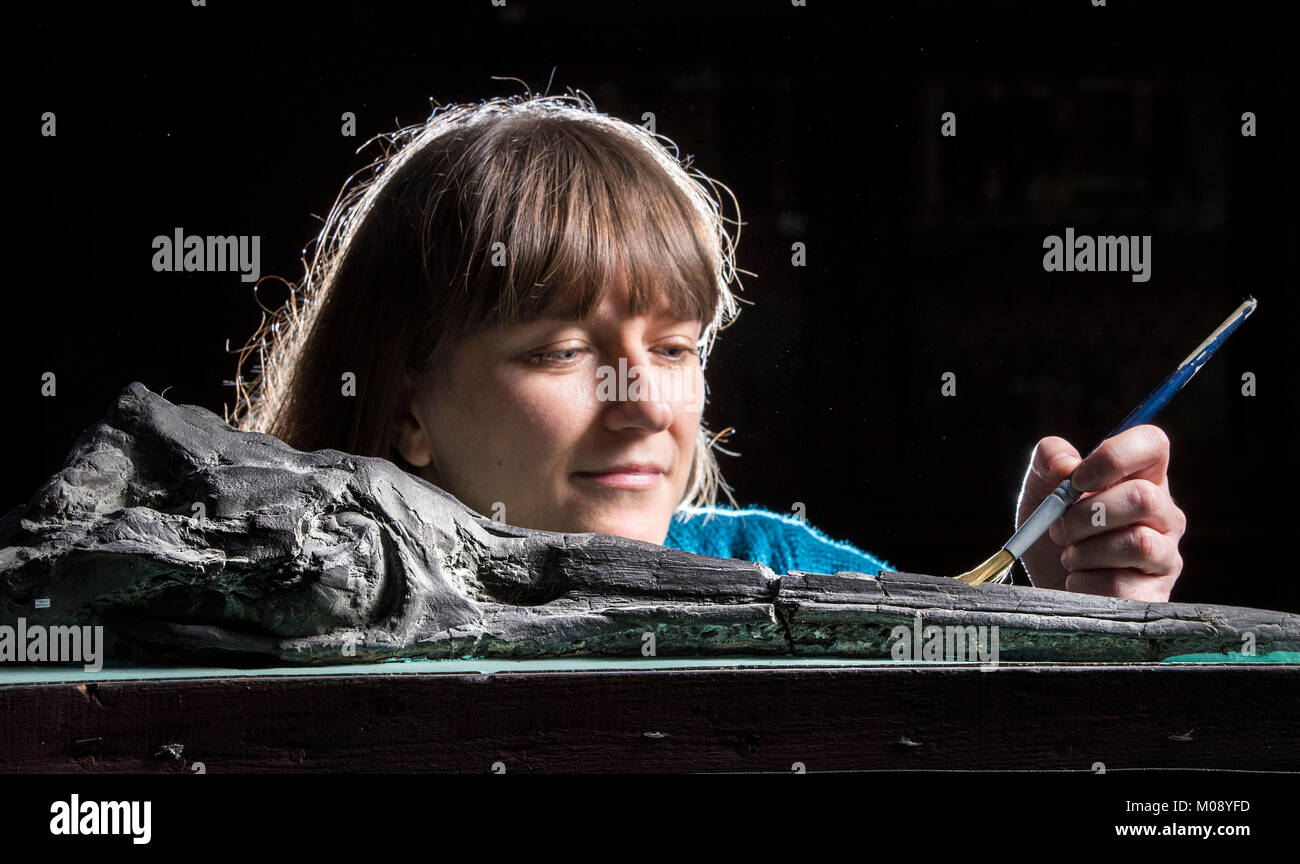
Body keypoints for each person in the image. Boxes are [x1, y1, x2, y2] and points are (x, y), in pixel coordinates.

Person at [228, 90, 1185, 601]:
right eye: (562, 351)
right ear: (404, 407)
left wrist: (1063, 623)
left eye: (678, 348)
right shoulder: (263, 604)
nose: (646, 402)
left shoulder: (787, 574)